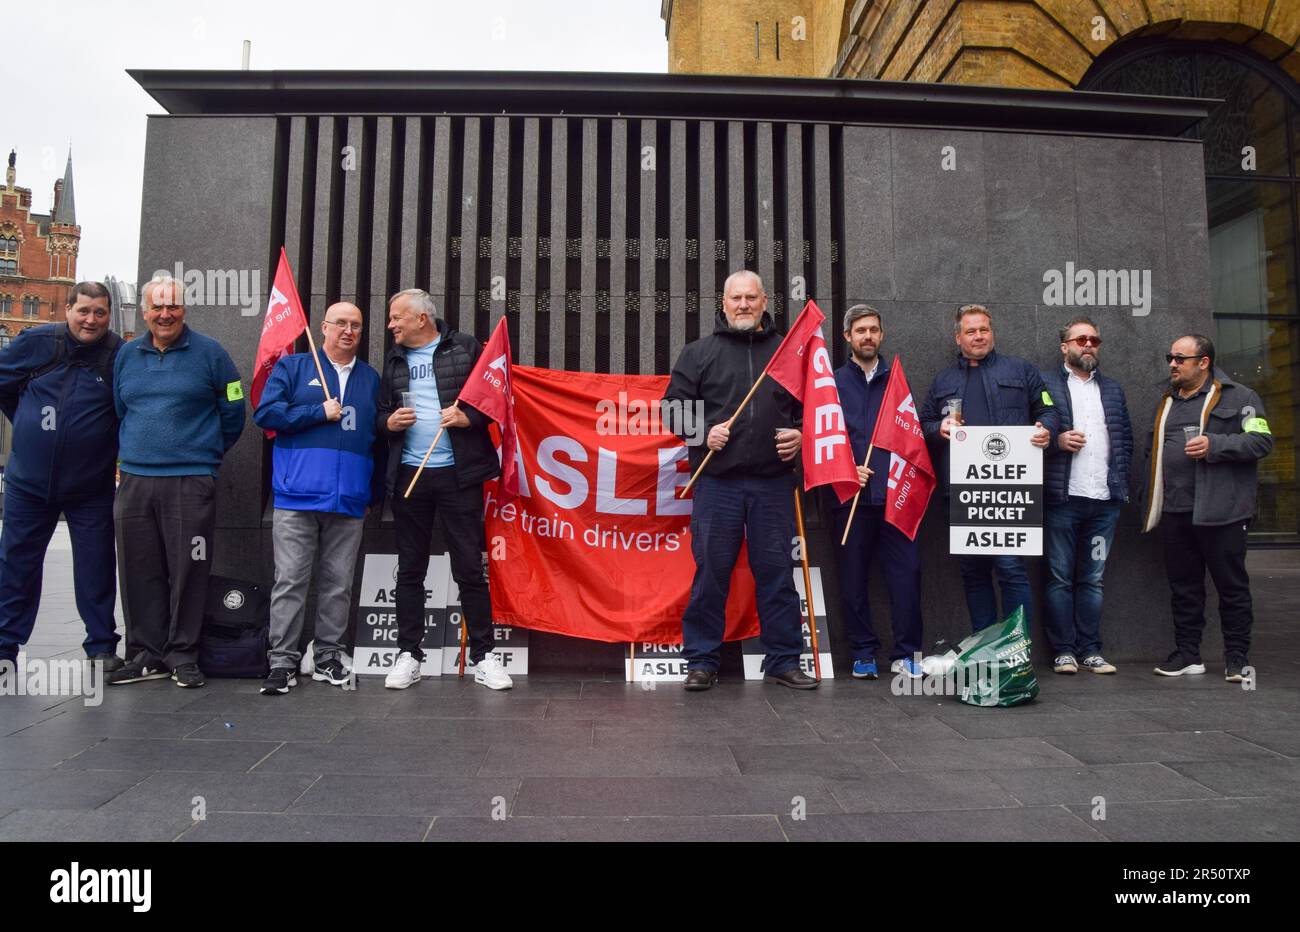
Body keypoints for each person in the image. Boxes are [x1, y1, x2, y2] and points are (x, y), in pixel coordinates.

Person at [663, 269, 816, 691]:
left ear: (765, 302)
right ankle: (701, 661)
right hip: (718, 484)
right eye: (736, 298)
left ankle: (784, 661)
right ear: (724, 303)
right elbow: (672, 409)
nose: (744, 305)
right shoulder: (698, 353)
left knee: (777, 575)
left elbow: (816, 406)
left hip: (773, 483)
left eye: (751, 297)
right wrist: (703, 431)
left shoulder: (788, 352)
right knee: (711, 574)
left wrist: (801, 433)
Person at [107, 276, 246, 688]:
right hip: (135, 480)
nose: (165, 314)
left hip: (190, 480)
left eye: (173, 306)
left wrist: (205, 455)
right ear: (144, 312)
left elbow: (234, 406)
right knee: (138, 569)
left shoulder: (211, 353)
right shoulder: (127, 355)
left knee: (189, 569)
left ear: (185, 309)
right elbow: (120, 408)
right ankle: (145, 654)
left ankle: (183, 653)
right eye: (157, 307)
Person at [376, 288, 511, 690]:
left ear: (422, 318)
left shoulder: (466, 348)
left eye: (396, 317)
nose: (391, 325)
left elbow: (496, 397)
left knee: (468, 566)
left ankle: (484, 657)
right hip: (409, 475)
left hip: (458, 475)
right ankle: (409, 654)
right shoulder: (394, 358)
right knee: (410, 568)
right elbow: (379, 414)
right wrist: (388, 423)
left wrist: (468, 417)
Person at [253, 302, 383, 695]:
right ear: (323, 327)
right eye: (340, 323)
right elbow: (266, 414)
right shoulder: (293, 367)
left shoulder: (370, 378)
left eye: (356, 325)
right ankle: (282, 662)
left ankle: (328, 655)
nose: (348, 330)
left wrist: (371, 491)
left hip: (349, 499)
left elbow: (375, 437)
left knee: (338, 583)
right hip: (297, 495)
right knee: (290, 580)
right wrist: (316, 412)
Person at [0, 282, 124, 670]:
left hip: (91, 488)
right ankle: (4, 647)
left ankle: (101, 646)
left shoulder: (118, 354)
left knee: (96, 567)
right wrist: (26, 423)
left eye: (99, 312)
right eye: (83, 310)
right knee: (16, 566)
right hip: (27, 484)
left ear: (108, 316)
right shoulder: (35, 342)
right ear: (67, 309)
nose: (91, 320)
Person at [1140, 334, 1272, 682]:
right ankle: (1188, 654)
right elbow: (1153, 450)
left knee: (1232, 588)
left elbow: (1261, 440)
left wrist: (1215, 444)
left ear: (1203, 362)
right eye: (1170, 357)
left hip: (1222, 511)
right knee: (1184, 588)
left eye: (1180, 359)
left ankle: (1236, 658)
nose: (1172, 364)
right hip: (1175, 511)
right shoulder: (1166, 400)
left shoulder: (1241, 397)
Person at [920, 303, 1057, 632]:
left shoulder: (1020, 370)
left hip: (1010, 491)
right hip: (963, 491)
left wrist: (1047, 429)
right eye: (971, 331)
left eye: (984, 329)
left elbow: (1048, 408)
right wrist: (937, 429)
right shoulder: (943, 380)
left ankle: (1015, 648)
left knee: (1011, 569)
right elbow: (922, 423)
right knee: (974, 572)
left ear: (992, 333)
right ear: (958, 338)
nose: (979, 336)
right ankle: (983, 647)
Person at [830, 304, 922, 680]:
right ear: (847, 337)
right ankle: (863, 652)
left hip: (896, 497)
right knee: (853, 580)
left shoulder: (897, 381)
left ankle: (908, 653)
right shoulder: (832, 383)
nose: (867, 336)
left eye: (873, 330)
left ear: (881, 335)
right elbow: (822, 437)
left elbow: (912, 437)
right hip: (849, 498)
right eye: (860, 330)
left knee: (907, 577)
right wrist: (846, 468)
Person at [1039, 317, 1132, 675]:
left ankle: (1091, 650)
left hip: (1104, 501)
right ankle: (1064, 651)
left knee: (1093, 578)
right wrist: (1057, 441)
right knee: (1060, 577)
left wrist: (1119, 481)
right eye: (1081, 340)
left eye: (1094, 339)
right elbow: (1031, 432)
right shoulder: (1046, 384)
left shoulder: (1112, 389)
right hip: (1063, 498)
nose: (1089, 344)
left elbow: (1124, 439)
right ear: (1065, 347)